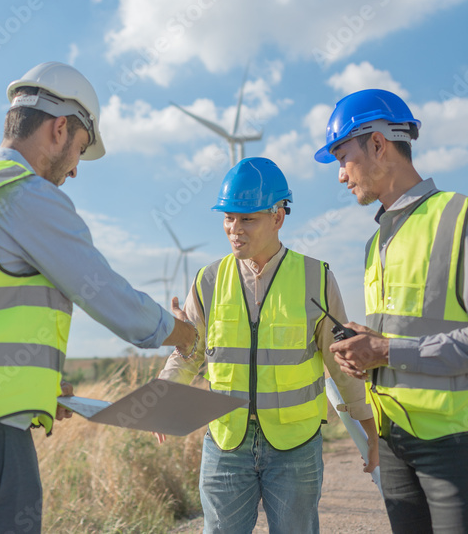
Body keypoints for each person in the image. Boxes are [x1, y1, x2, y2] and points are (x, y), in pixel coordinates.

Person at [0, 61, 197, 534]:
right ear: (60, 129)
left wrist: (32, 389)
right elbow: (109, 296)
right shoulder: (23, 195)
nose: (76, 170)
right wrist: (184, 334)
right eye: (80, 149)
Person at [314, 88, 468, 533]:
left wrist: (388, 350)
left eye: (341, 156)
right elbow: (404, 334)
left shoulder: (458, 216)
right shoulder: (376, 244)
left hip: (457, 444)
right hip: (394, 442)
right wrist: (364, 351)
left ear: (377, 144)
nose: (339, 176)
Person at [156, 157, 378, 534]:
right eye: (228, 217)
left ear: (278, 217)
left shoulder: (316, 278)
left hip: (295, 446)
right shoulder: (208, 280)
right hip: (226, 442)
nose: (234, 229)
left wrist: (370, 429)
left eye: (247, 218)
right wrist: (165, 394)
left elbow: (342, 363)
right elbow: (188, 350)